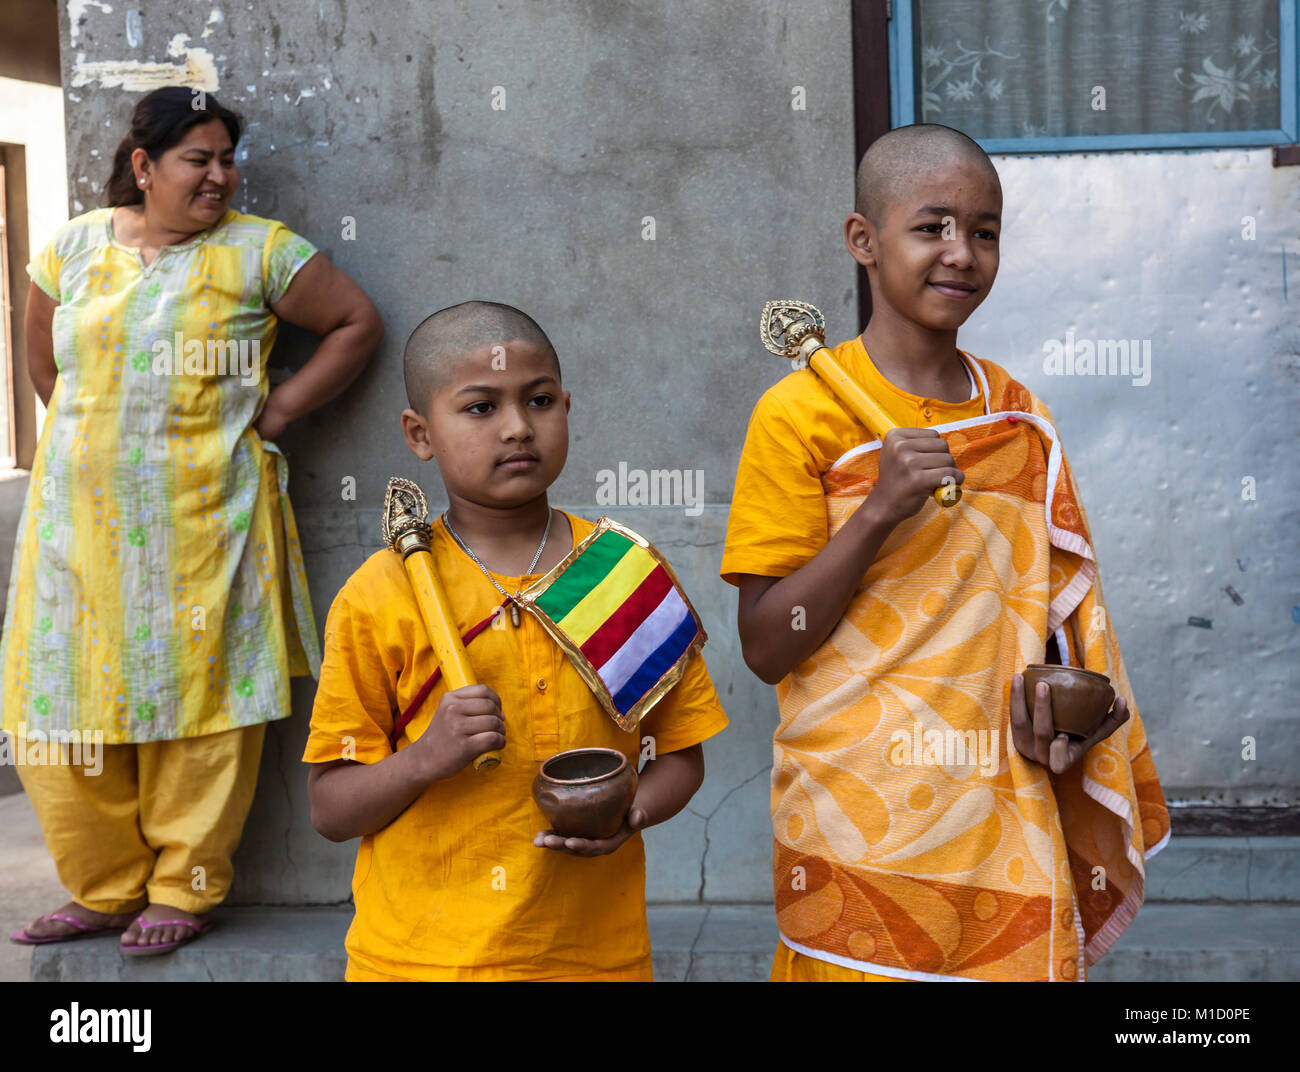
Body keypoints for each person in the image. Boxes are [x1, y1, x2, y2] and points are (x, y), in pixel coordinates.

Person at [721, 124, 1170, 982]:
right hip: (859, 820)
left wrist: (1074, 706)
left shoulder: (1017, 418)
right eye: (931, 227)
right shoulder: (798, 415)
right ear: (864, 241)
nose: (960, 253)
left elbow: (1056, 621)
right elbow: (768, 643)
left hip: (1003, 817)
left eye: (985, 231)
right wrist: (876, 514)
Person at [5, 86, 384, 955]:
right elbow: (40, 349)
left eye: (226, 159)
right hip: (75, 531)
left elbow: (356, 322)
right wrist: (93, 442)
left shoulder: (261, 253)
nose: (220, 176)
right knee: (58, 703)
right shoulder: (72, 250)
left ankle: (184, 887)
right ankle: (101, 889)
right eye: (198, 160)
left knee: (206, 702)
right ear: (143, 168)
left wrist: (281, 407)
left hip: (207, 521)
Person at [304, 301, 729, 981]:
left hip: (593, 960)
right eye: (480, 408)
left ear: (567, 407)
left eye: (539, 401)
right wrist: (424, 759)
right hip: (417, 961)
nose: (517, 428)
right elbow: (330, 807)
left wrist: (631, 811)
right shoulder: (383, 593)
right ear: (420, 433)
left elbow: (681, 757)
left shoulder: (617, 571)